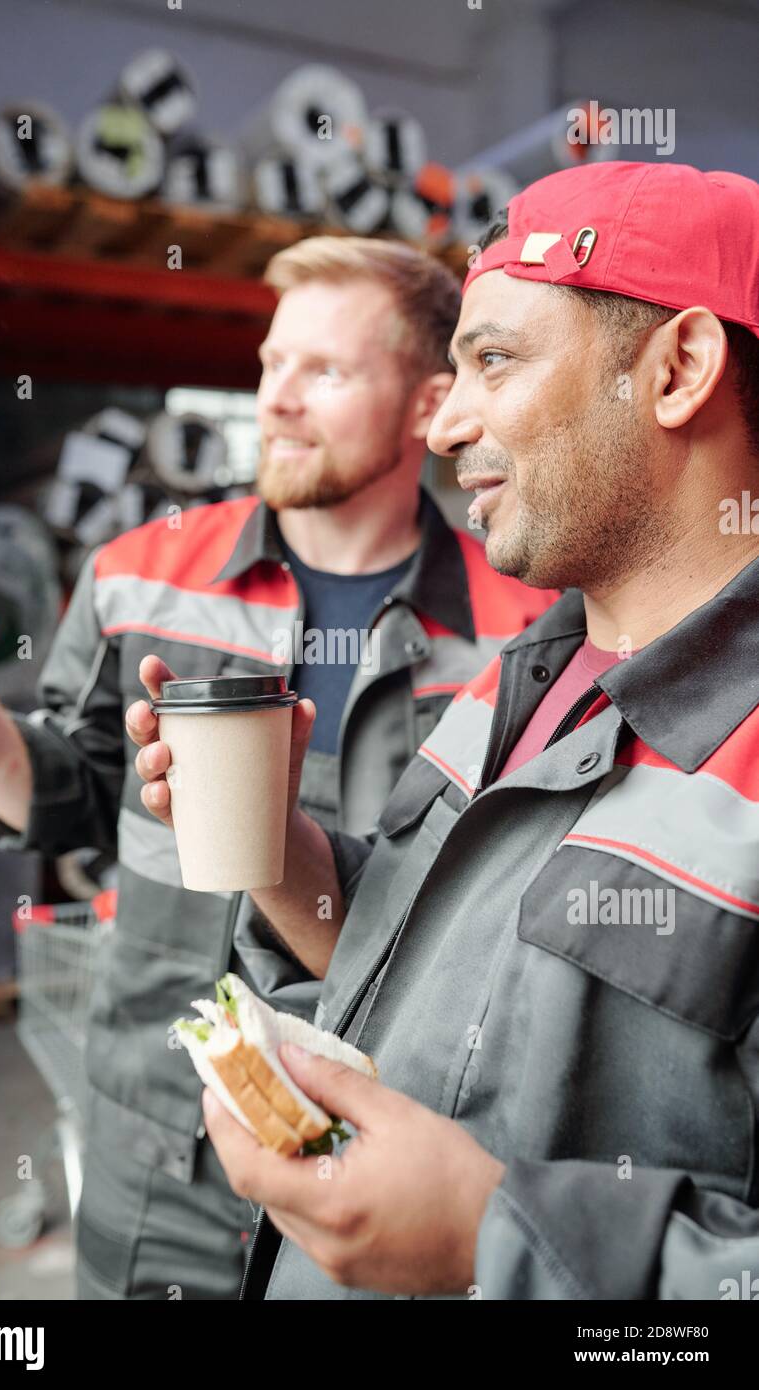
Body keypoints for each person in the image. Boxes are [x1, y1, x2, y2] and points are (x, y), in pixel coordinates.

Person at [139, 160, 759, 1300]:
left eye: (493, 361)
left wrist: (497, 1240)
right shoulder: (515, 681)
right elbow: (415, 954)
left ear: (675, 369)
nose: (446, 424)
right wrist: (285, 853)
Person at [0, 236, 556, 1300]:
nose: (277, 399)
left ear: (427, 404)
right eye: (272, 365)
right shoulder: (140, 577)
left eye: (326, 371)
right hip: (160, 1163)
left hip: (388, 1166)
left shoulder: (526, 629)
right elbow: (61, 799)